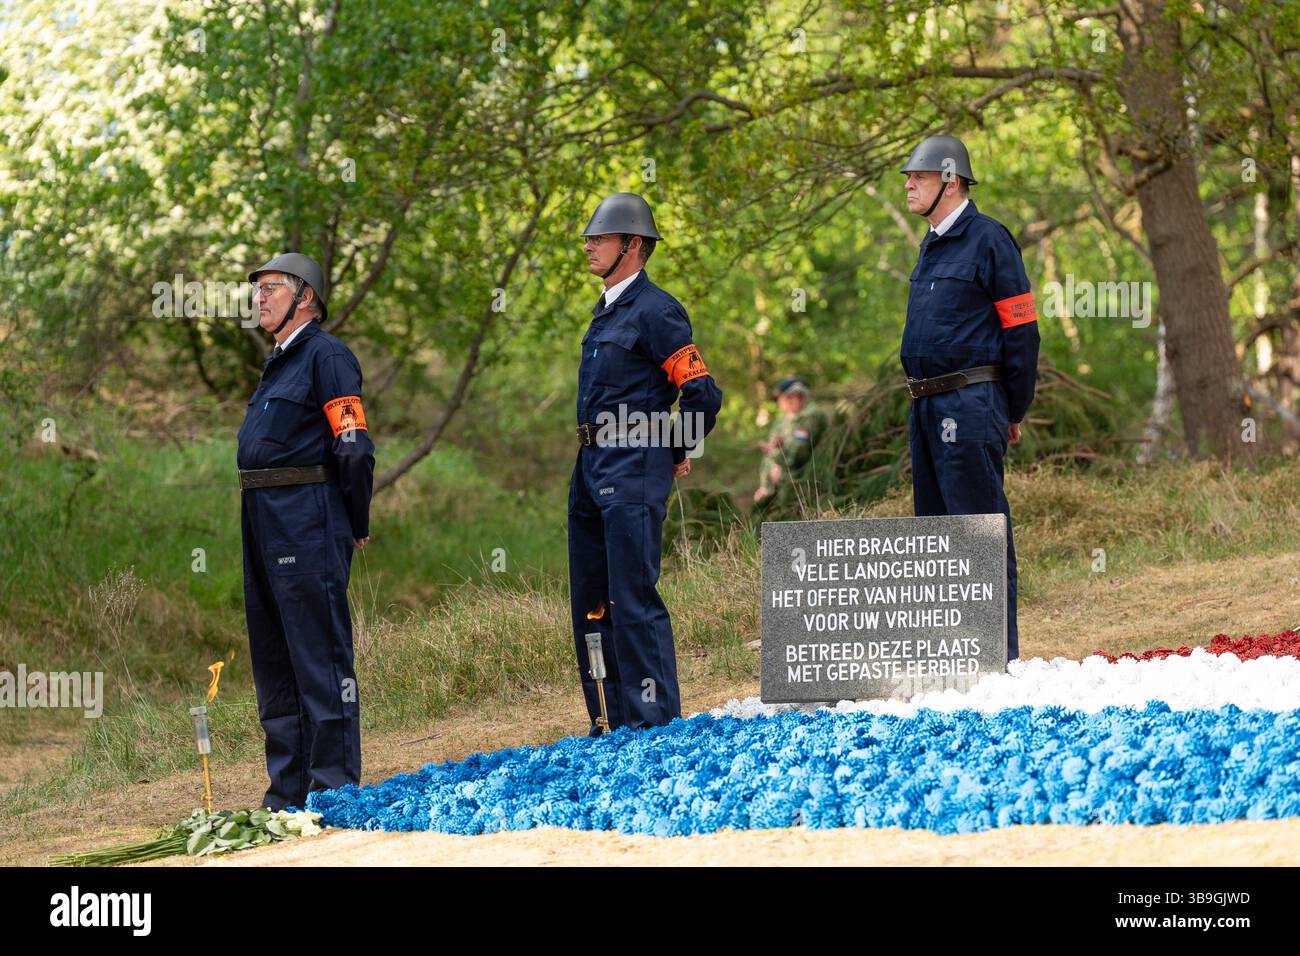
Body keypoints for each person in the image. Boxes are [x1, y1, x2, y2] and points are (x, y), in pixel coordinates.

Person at [569, 193, 723, 734]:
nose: (588, 246)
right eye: (588, 238)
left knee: (631, 596)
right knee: (590, 599)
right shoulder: (604, 311)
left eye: (600, 239)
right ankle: (609, 719)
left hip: (634, 462)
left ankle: (654, 724)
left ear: (632, 246)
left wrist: (674, 448)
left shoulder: (657, 310)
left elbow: (703, 394)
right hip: (589, 464)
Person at [237, 252, 375, 809]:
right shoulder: (278, 361)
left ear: (306, 298)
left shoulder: (328, 356)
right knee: (274, 655)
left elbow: (354, 446)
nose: (259, 298)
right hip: (261, 517)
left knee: (318, 653)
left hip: (307, 517)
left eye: (271, 288)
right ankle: (288, 791)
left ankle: (333, 785)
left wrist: (354, 519)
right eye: (258, 290)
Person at [898, 135, 1039, 660]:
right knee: (934, 539)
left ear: (951, 180)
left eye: (920, 176)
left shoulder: (989, 240)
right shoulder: (931, 244)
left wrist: (1013, 407)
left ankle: (995, 661)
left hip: (971, 402)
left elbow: (1022, 330)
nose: (909, 184)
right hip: (925, 406)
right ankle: (950, 658)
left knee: (978, 532)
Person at [753, 376, 829, 505]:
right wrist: (765, 485)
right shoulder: (783, 420)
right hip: (778, 488)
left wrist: (773, 452)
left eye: (781, 399)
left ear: (796, 397)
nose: (779, 403)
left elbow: (799, 455)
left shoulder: (810, 417)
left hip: (800, 488)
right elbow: (772, 457)